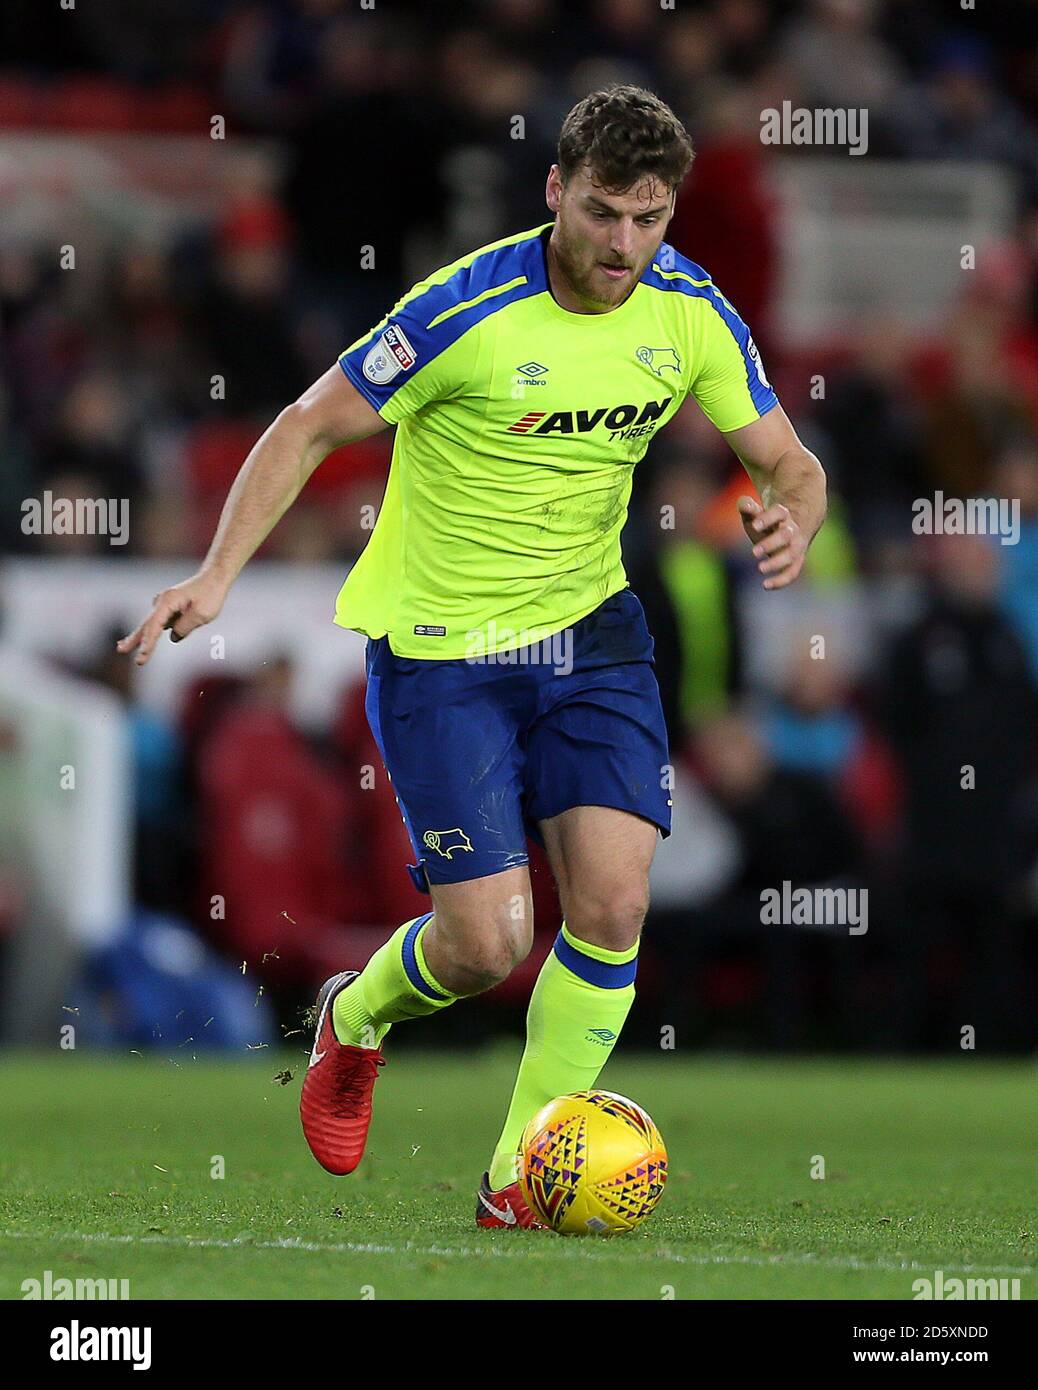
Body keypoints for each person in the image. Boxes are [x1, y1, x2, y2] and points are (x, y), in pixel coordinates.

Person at [118, 85, 827, 1229]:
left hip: (592, 639)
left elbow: (789, 460)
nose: (626, 244)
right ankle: (356, 1018)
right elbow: (305, 423)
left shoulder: (689, 309)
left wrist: (796, 511)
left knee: (611, 904)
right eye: (604, 213)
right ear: (556, 191)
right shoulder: (463, 309)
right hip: (446, 652)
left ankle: (515, 1180)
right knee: (488, 940)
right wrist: (214, 574)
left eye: (651, 219)